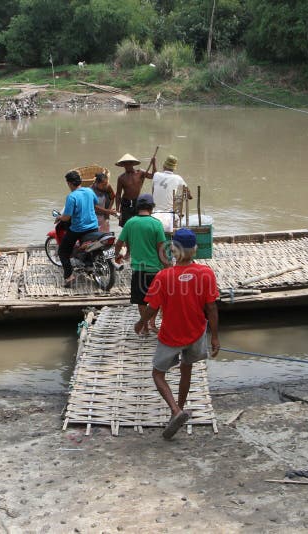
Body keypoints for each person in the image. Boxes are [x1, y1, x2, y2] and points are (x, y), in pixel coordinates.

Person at [135, 228, 220, 440]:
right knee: (186, 370)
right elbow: (211, 308)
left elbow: (152, 307)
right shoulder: (206, 274)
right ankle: (179, 409)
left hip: (171, 334)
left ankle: (175, 410)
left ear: (173, 250)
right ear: (195, 250)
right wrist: (215, 337)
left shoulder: (164, 276)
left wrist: (141, 322)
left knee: (157, 374)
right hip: (196, 333)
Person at [114, 194, 168, 333]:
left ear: (138, 207)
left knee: (141, 300)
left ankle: (144, 327)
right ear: (151, 207)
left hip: (139, 269)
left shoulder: (130, 222)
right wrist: (168, 267)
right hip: (155, 269)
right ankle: (152, 323)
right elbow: (161, 249)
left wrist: (117, 255)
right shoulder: (156, 224)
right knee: (156, 299)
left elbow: (119, 243)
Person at [57, 170, 99, 288]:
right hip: (93, 227)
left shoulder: (72, 197)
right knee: (87, 246)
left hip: (78, 229)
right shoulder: (90, 191)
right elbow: (95, 203)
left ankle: (69, 277)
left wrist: (59, 217)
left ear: (69, 183)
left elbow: (67, 217)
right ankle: (88, 265)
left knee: (62, 252)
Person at [151, 154, 192, 232]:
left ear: (164, 166)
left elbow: (155, 176)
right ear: (174, 168)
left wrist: (153, 164)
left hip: (154, 213)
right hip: (169, 214)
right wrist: (189, 196)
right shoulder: (178, 178)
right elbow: (188, 192)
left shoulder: (156, 175)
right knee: (178, 213)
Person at [115, 153, 156, 227]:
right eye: (125, 164)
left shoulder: (140, 173)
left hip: (137, 202)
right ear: (123, 165)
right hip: (126, 203)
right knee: (126, 224)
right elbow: (118, 194)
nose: (127, 166)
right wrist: (117, 209)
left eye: (129, 164)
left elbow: (153, 176)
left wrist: (153, 163)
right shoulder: (121, 178)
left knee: (138, 223)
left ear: (132, 164)